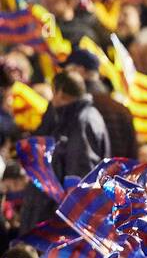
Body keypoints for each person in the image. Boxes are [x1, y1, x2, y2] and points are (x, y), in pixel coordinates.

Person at [18, 70, 110, 234]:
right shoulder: (64, 116)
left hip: (57, 219)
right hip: (46, 212)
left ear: (59, 92)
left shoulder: (82, 121)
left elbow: (79, 176)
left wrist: (65, 222)